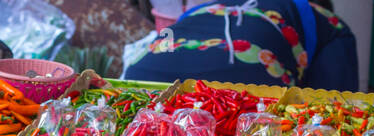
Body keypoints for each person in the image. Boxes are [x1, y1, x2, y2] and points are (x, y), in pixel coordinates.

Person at [123, 0, 359, 91]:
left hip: (139, 75)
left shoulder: (204, 9)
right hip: (247, 77)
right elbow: (331, 100)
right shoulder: (329, 23)